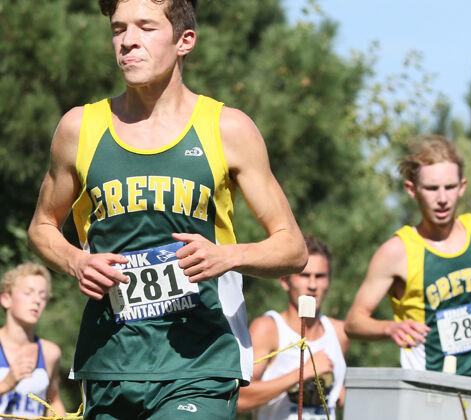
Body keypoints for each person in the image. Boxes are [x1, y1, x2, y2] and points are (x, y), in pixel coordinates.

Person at [26, 0, 307, 418]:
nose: (128, 42)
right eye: (119, 29)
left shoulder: (228, 129)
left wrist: (228, 256)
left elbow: (293, 248)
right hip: (111, 361)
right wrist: (74, 261)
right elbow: (42, 227)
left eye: (146, 27)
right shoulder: (79, 128)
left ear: (184, 41)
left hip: (202, 361)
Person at [345, 135, 471, 420]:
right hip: (429, 396)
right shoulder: (396, 251)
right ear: (412, 190)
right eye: (432, 188)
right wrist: (390, 328)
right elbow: (354, 322)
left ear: (462, 187)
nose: (442, 198)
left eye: (450, 187)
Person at [238, 235, 348, 419]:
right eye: (304, 275)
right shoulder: (269, 329)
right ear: (284, 281)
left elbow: (335, 395)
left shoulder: (339, 332)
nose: (312, 285)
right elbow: (239, 398)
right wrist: (300, 374)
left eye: (320, 276)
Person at [0, 263, 65, 417]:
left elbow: (53, 400)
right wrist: (6, 384)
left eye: (43, 296)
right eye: (28, 293)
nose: (37, 300)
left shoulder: (50, 353)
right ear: (6, 299)